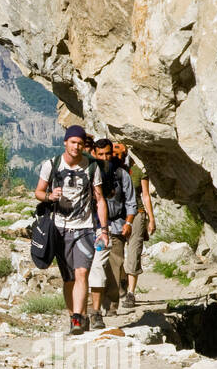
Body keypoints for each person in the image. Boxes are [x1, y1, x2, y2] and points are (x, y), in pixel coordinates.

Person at [34, 125, 110, 334]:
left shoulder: (92, 168)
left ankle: (78, 317)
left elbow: (100, 199)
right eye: (73, 142)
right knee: (68, 278)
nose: (77, 146)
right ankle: (74, 317)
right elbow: (39, 192)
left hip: (85, 228)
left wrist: (103, 229)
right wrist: (50, 196)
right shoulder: (51, 165)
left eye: (80, 143)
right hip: (59, 228)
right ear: (65, 142)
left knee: (82, 272)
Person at [88, 139, 136, 326]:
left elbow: (131, 202)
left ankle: (111, 304)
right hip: (92, 227)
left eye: (108, 154)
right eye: (101, 155)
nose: (105, 157)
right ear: (94, 154)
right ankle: (94, 307)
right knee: (94, 267)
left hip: (115, 226)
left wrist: (129, 223)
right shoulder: (89, 173)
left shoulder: (121, 175)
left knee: (115, 265)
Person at [118, 144, 155, 311]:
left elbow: (145, 196)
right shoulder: (110, 171)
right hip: (118, 216)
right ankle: (120, 284)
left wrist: (151, 219)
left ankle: (131, 293)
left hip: (138, 215)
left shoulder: (139, 171)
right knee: (116, 254)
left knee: (134, 252)